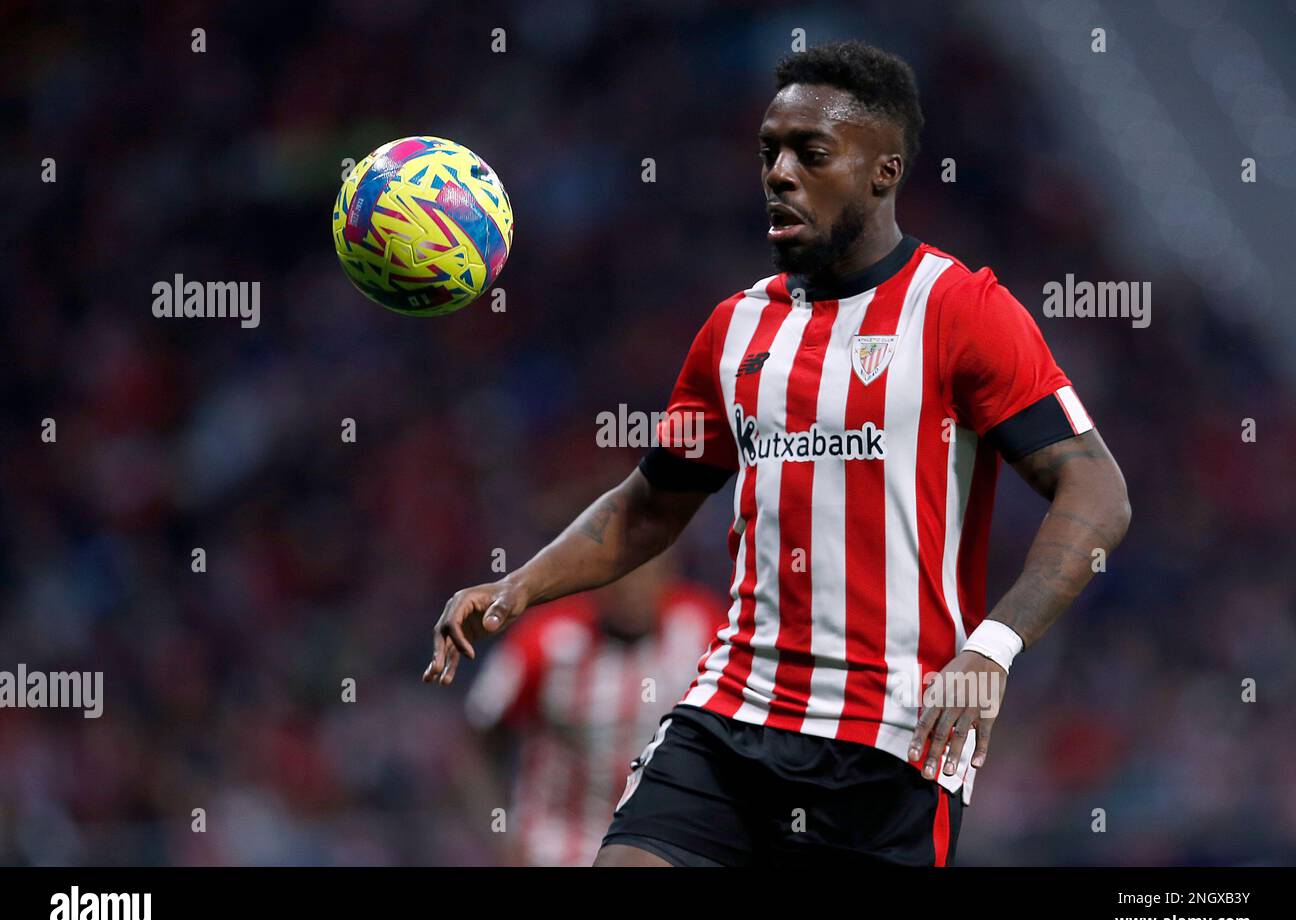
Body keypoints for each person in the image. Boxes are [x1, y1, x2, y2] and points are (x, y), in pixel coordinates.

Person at [426, 40, 1130, 866]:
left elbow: (1096, 490)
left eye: (811, 152)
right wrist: (519, 586)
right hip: (732, 714)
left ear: (883, 171)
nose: (779, 172)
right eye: (769, 151)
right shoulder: (735, 329)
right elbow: (650, 504)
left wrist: (991, 647)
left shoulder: (962, 310)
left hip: (893, 738)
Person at [462, 555, 722, 866]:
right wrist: (502, 834)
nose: (632, 588)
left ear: (669, 572)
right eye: (622, 575)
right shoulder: (546, 641)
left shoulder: (703, 630)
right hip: (555, 853)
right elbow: (474, 746)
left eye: (646, 571)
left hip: (662, 853)